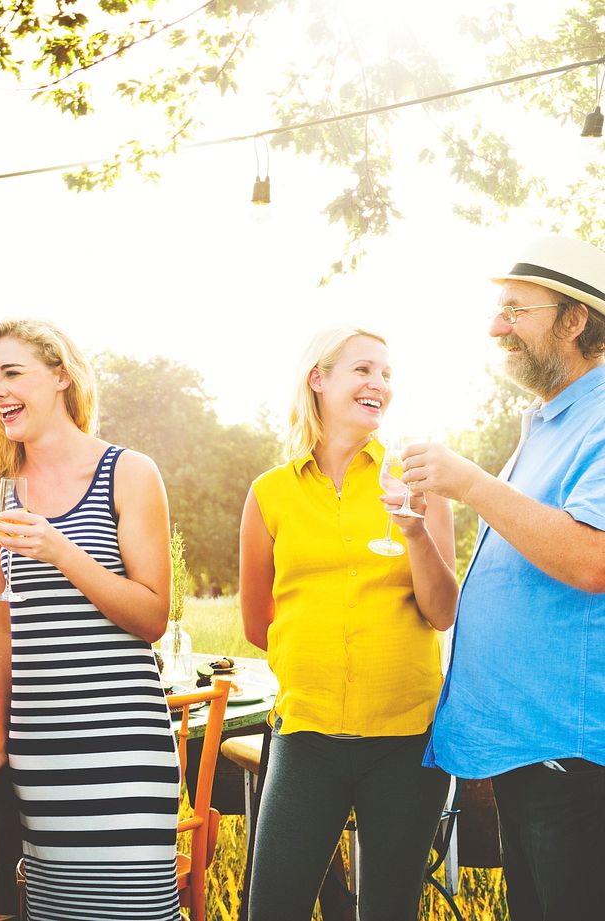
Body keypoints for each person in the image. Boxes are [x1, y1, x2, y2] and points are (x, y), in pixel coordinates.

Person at [405, 235, 605, 921]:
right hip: (533, 748)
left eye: (515, 310)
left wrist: (469, 482)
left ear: (574, 318)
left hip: (575, 757)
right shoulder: (550, 419)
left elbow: (593, 559)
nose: (496, 326)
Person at [0, 319, 181, 920]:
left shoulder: (129, 472)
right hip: (43, 751)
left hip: (122, 742)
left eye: (11, 373)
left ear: (60, 376)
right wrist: (1, 738)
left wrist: (61, 550)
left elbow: (152, 616)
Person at [240, 327, 458, 921]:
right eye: (364, 370)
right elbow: (258, 622)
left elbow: (442, 612)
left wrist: (413, 530)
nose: (379, 385)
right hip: (305, 736)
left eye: (386, 375)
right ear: (319, 378)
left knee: (390, 911)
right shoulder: (269, 495)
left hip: (406, 741)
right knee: (273, 908)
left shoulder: (416, 482)